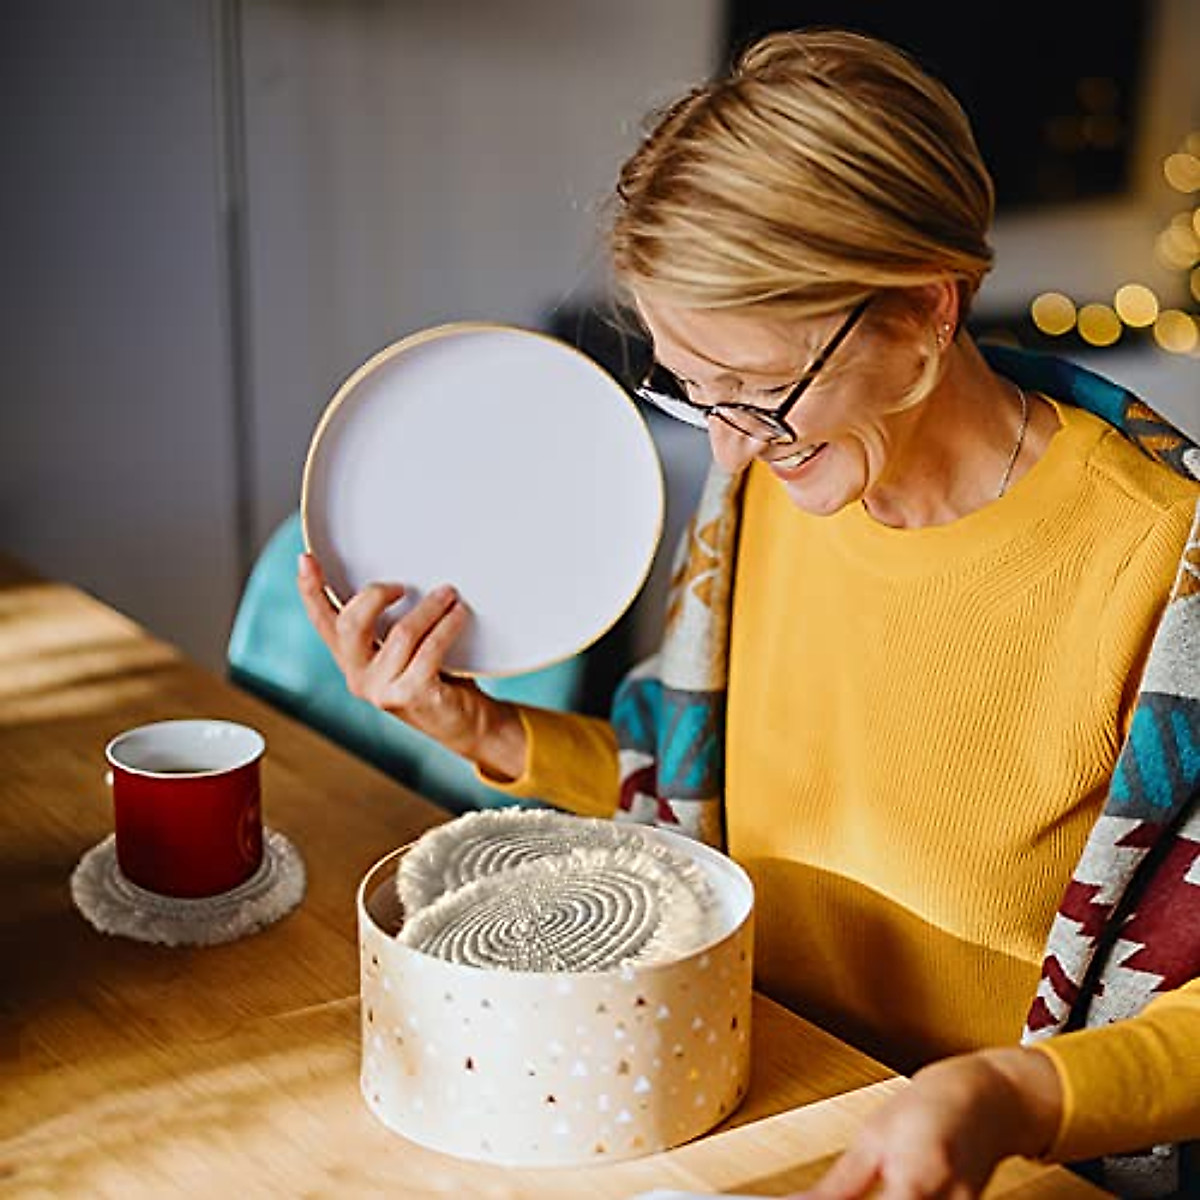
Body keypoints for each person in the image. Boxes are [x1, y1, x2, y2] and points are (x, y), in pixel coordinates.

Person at [298, 28, 1200, 1198]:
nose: (725, 448)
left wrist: (1018, 1096)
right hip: (735, 1102)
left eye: (762, 389)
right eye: (692, 390)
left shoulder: (1162, 569)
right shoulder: (770, 487)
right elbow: (698, 817)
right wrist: (486, 731)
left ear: (925, 309)